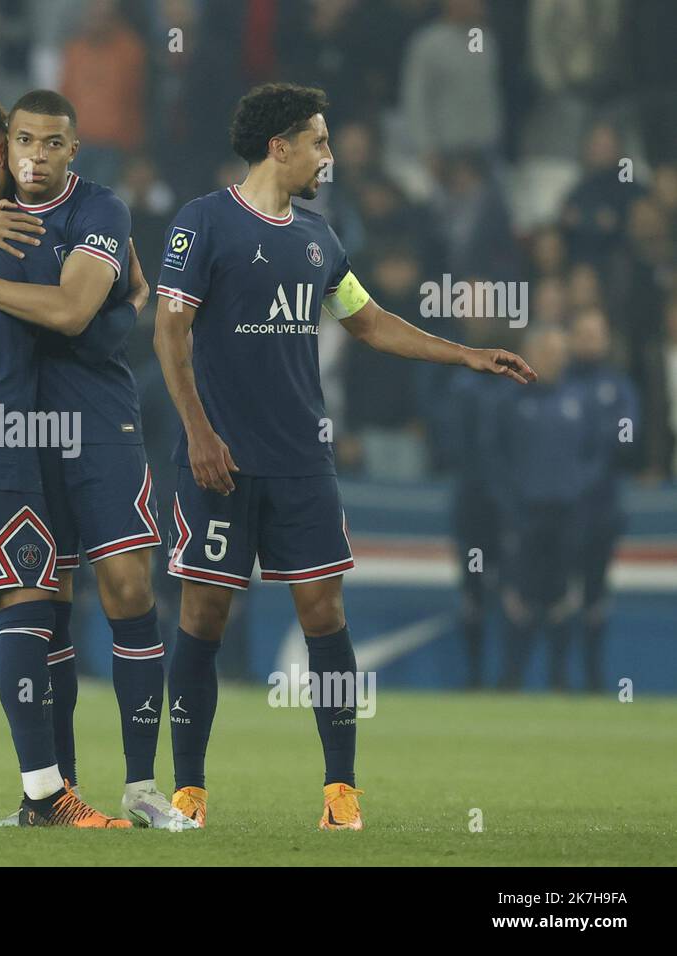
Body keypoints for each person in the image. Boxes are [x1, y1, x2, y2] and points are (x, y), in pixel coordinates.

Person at [152, 82, 536, 829]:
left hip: (301, 460)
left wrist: (466, 355)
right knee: (202, 616)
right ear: (280, 146)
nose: (330, 158)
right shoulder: (203, 224)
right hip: (221, 460)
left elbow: (369, 321)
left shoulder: (319, 239)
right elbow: (170, 334)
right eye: (320, 143)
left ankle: (341, 793)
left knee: (325, 613)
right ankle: (189, 791)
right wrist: (198, 430)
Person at [0, 90, 189, 829]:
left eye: (52, 144)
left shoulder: (99, 210)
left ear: (72, 150)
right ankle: (56, 788)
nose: (35, 156)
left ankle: (142, 786)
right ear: (3, 149)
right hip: (14, 431)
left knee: (126, 590)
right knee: (43, 608)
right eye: (24, 141)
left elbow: (75, 312)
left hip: (94, 423)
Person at [490, 328, 592, 690]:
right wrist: (511, 501)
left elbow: (596, 455)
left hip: (566, 516)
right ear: (530, 353)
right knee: (518, 598)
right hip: (524, 515)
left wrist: (577, 490)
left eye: (560, 351)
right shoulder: (510, 400)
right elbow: (495, 456)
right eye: (548, 350)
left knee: (562, 599)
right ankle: (511, 676)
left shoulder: (580, 399)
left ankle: (560, 677)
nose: (556, 358)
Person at [566, 309, 637, 690]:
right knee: (555, 593)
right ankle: (554, 678)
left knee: (595, 595)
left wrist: (590, 452)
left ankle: (593, 677)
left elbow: (627, 438)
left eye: (597, 333)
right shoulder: (557, 382)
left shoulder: (618, 385)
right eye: (583, 333)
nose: (590, 341)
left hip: (602, 508)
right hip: (559, 508)